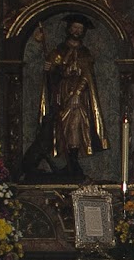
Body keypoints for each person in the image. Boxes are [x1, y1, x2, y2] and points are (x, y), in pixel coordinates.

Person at [23, 16, 108, 180]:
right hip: (61, 93)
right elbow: (53, 77)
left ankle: (73, 159)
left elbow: (87, 76)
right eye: (74, 27)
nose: (77, 31)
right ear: (69, 29)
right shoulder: (58, 51)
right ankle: (67, 159)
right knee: (60, 123)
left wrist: (77, 93)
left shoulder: (85, 53)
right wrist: (49, 69)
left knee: (76, 122)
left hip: (78, 94)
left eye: (80, 29)